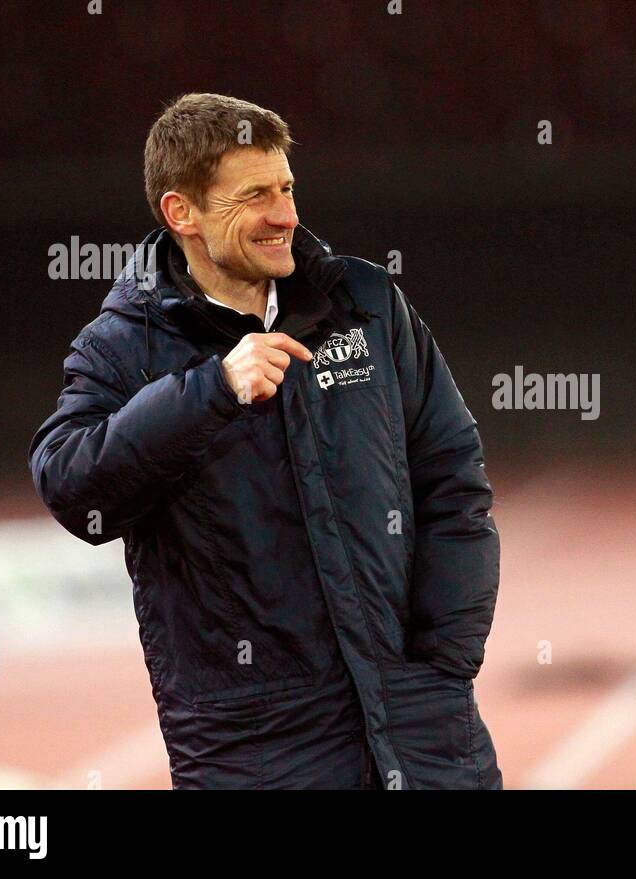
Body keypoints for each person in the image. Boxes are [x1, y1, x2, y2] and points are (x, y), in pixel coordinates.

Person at [28, 93, 502, 789]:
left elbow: (453, 479)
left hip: (420, 720)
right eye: (255, 195)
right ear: (181, 213)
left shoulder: (364, 303)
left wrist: (442, 657)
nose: (285, 215)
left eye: (286, 188)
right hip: (255, 749)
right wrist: (208, 393)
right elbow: (71, 485)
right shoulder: (124, 347)